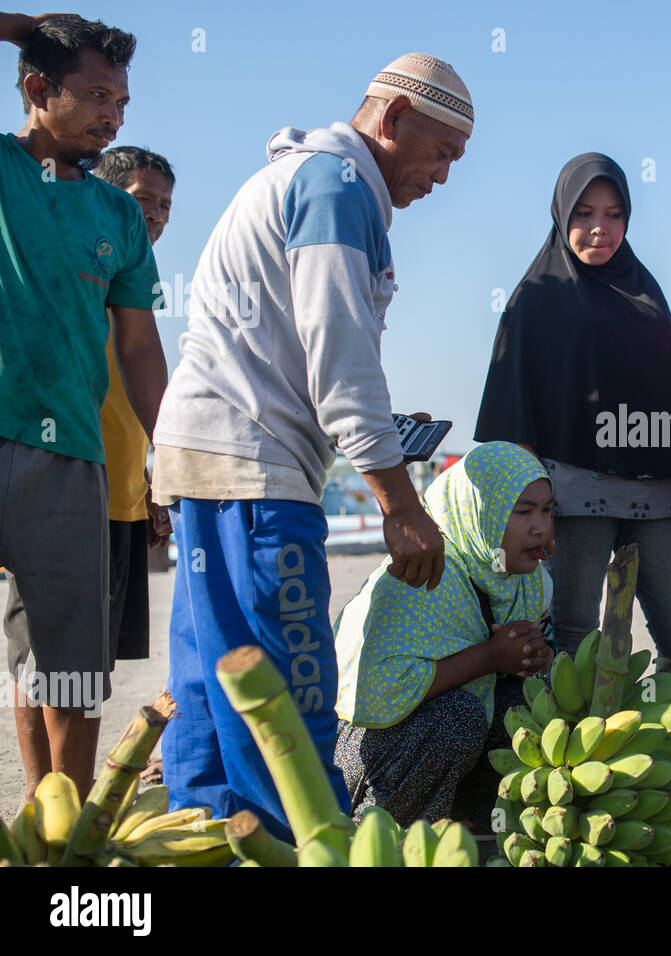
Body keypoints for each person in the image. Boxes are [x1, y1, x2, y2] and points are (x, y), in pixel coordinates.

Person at [150, 53, 473, 836]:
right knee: (288, 687)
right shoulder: (338, 187)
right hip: (255, 469)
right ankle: (307, 846)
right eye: (441, 152)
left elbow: (306, 354)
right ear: (393, 119)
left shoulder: (302, 179)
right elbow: (341, 358)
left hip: (203, 453)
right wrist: (400, 506)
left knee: (211, 681)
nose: (443, 176)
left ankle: (204, 840)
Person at [0, 12, 168, 799]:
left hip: (73, 461)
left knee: (70, 666)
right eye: (96, 94)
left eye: (122, 101)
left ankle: (61, 833)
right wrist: (25, 28)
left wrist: (170, 452)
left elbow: (138, 349)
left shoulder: (120, 214)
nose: (113, 114)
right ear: (37, 88)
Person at [474, 153, 671, 702]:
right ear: (561, 215)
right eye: (583, 213)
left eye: (614, 213)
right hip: (573, 496)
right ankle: (576, 769)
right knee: (574, 640)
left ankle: (668, 747)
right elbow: (516, 405)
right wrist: (531, 511)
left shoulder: (645, 294)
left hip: (655, 494)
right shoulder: (537, 298)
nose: (599, 228)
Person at [333, 442, 555, 828]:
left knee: (530, 701)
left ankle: (473, 823)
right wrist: (491, 657)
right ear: (479, 512)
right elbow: (381, 694)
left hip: (432, 735)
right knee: (457, 717)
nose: (540, 526)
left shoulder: (522, 581)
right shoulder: (424, 576)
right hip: (362, 751)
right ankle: (377, 831)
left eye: (547, 510)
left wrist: (535, 657)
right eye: (522, 512)